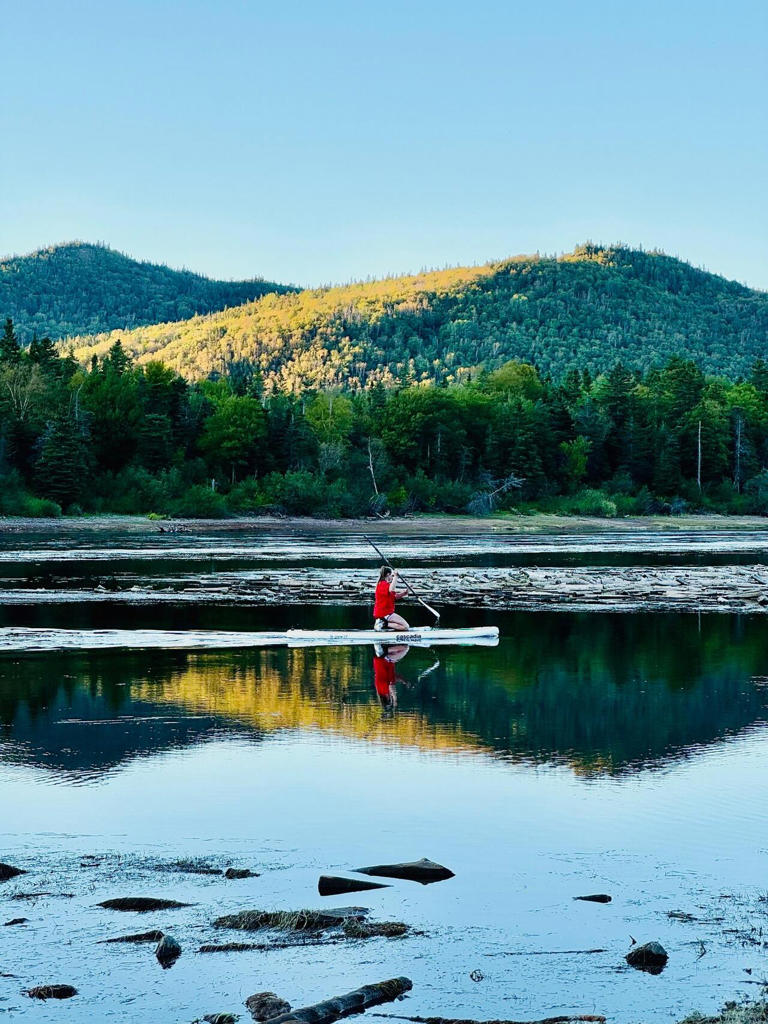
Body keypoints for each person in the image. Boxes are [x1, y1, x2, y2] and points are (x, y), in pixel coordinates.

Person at [373, 565, 409, 631]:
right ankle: (382, 623)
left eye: (393, 576)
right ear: (388, 574)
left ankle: (383, 624)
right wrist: (396, 576)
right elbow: (392, 589)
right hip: (384, 613)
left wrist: (404, 593)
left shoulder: (386, 585)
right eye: (391, 575)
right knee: (406, 626)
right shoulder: (382, 584)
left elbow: (395, 597)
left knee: (404, 627)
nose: (392, 577)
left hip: (386, 613)